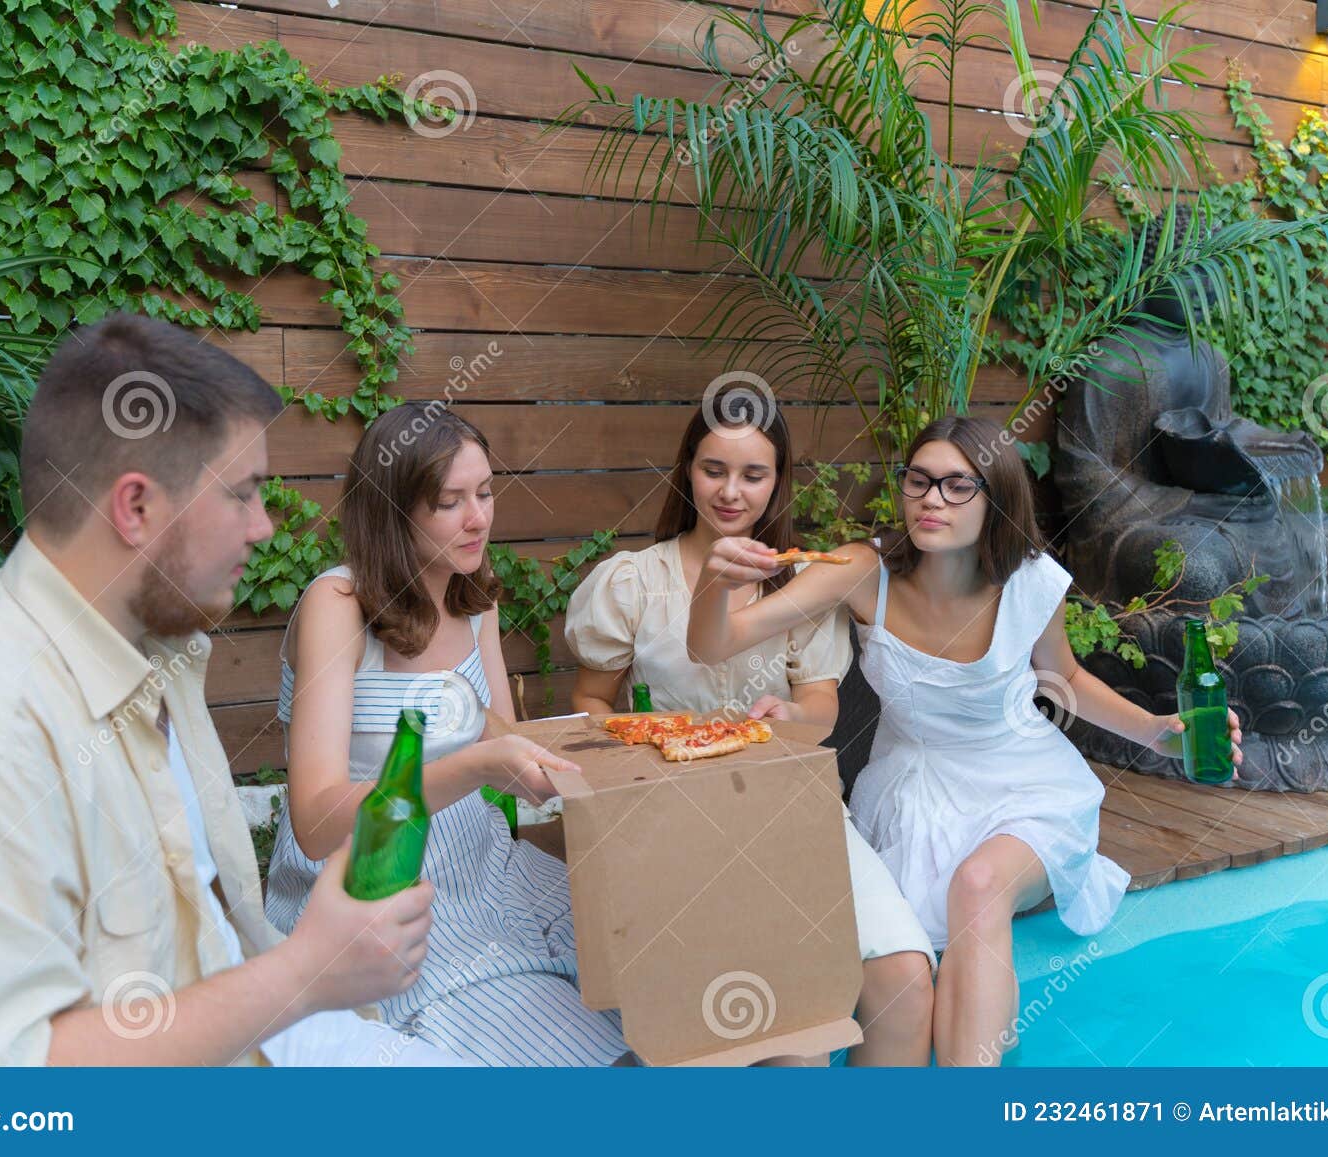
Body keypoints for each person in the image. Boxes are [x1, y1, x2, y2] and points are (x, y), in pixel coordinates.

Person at [0, 313, 458, 1066]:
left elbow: (198, 946)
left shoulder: (154, 657)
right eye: (243, 494)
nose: (265, 527)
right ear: (136, 507)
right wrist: (306, 974)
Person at [687, 414, 1244, 1066]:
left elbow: (1063, 677)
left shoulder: (1030, 581)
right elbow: (713, 644)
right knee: (911, 966)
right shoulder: (864, 570)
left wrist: (1156, 734)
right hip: (911, 793)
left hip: (1024, 783)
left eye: (958, 486)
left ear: (995, 498)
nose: (932, 499)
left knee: (979, 883)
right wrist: (715, 585)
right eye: (919, 481)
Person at [565, 396, 935, 1066]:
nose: (731, 492)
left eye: (753, 475)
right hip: (674, 818)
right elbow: (591, 699)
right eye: (714, 470)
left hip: (793, 806)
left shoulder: (799, 581)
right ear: (687, 469)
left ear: (778, 481)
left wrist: (794, 720)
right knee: (789, 1030)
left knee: (904, 976)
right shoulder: (632, 581)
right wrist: (649, 738)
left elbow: (820, 705)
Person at [264, 401, 631, 1066]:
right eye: (450, 502)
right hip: (372, 875)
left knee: (636, 950)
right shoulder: (337, 604)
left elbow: (494, 732)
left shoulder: (473, 589)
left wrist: (612, 756)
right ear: (393, 511)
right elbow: (316, 821)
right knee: (560, 1044)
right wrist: (478, 767)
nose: (479, 518)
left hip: (478, 857)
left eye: (485, 493)